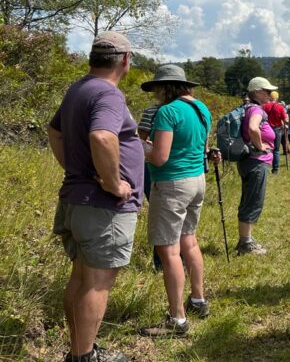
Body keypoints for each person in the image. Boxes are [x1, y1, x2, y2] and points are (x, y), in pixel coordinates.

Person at [47, 31, 143, 362]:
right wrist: (114, 183)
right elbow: (102, 137)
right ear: (125, 60)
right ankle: (84, 356)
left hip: (79, 199)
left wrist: (75, 169)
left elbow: (54, 132)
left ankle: (79, 352)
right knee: (97, 283)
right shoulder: (108, 93)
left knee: (81, 278)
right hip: (102, 206)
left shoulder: (79, 88)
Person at [137, 64, 218, 337]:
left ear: (165, 88)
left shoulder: (167, 112)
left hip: (171, 184)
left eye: (157, 89)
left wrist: (136, 144)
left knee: (169, 251)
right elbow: (200, 147)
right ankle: (198, 299)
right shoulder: (201, 108)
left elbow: (160, 157)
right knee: (189, 240)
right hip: (197, 180)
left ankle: (177, 319)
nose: (156, 95)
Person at [236, 77, 278, 255]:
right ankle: (246, 243)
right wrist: (260, 146)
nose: (270, 94)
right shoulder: (256, 110)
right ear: (257, 92)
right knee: (253, 201)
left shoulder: (248, 108)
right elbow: (253, 128)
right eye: (266, 91)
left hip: (248, 161)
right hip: (256, 161)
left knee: (248, 199)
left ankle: (245, 239)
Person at [137, 102, 162, 271]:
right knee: (163, 215)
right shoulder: (195, 108)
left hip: (156, 167)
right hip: (153, 168)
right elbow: (140, 139)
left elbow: (140, 140)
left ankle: (165, 263)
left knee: (162, 215)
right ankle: (164, 263)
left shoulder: (152, 111)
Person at [262, 90, 287, 174]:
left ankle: (265, 167)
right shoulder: (280, 107)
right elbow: (285, 120)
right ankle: (275, 169)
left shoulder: (264, 106)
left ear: (270, 97)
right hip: (277, 129)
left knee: (266, 148)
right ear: (277, 98)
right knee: (276, 150)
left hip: (267, 129)